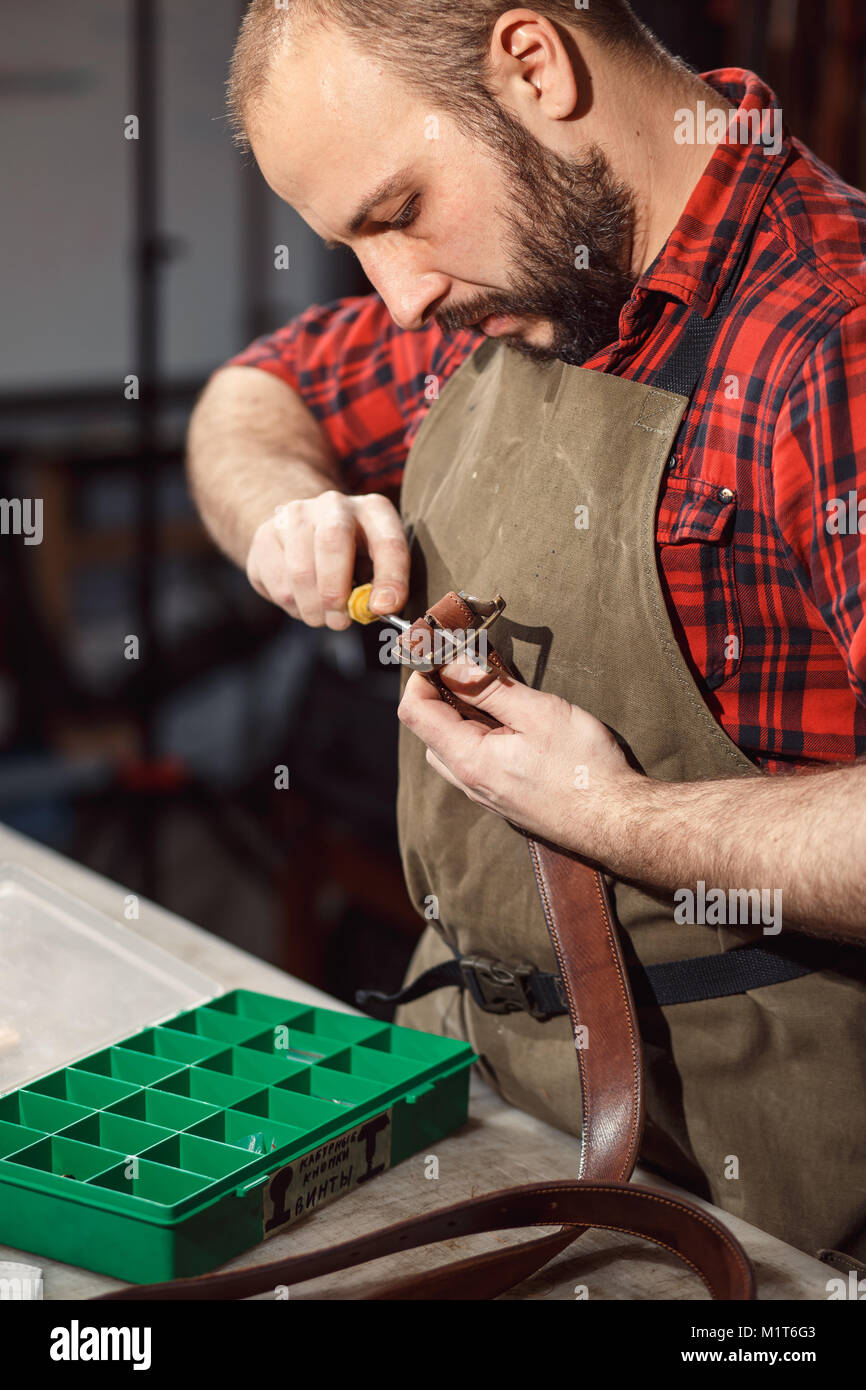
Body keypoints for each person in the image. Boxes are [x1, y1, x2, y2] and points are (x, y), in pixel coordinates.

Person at [187, 1, 866, 1258]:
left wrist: (614, 816)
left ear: (534, 66)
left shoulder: (831, 338)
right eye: (351, 244)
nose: (399, 298)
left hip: (756, 1205)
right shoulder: (538, 280)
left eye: (398, 212)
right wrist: (285, 508)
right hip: (481, 1099)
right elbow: (253, 392)